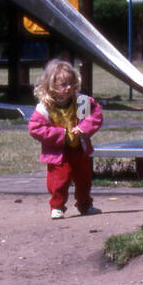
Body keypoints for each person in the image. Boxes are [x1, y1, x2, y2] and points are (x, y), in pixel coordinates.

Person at [29, 59, 103, 219]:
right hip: (59, 152)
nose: (68, 87)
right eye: (63, 85)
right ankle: (57, 206)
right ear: (51, 87)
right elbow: (35, 128)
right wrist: (59, 134)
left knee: (84, 179)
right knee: (58, 180)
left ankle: (85, 205)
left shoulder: (81, 101)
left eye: (71, 83)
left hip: (79, 149)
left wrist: (83, 128)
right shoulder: (45, 107)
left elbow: (96, 115)